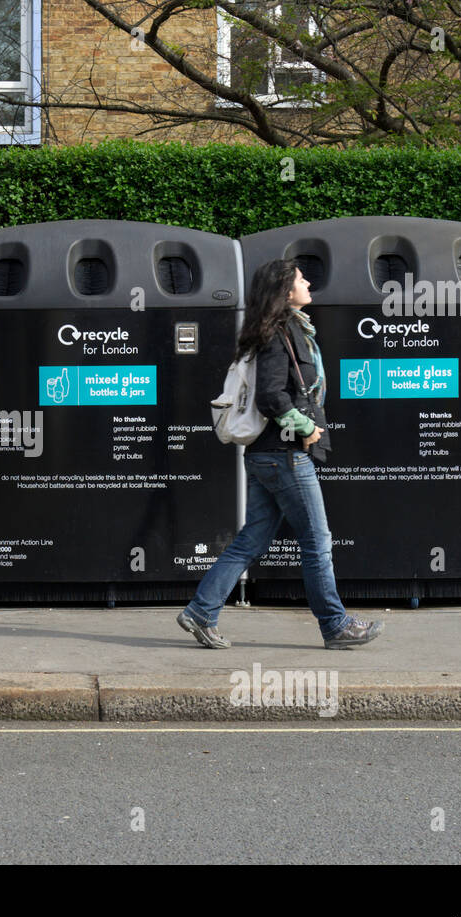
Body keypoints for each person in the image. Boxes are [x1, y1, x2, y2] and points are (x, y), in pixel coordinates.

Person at [177, 258, 384, 650]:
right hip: (284, 455)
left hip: (264, 455)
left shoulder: (277, 330)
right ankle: (336, 625)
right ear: (285, 289)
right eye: (302, 279)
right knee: (317, 541)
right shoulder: (279, 332)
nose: (309, 285)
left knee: (252, 539)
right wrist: (305, 428)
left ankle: (201, 611)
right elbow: (272, 395)